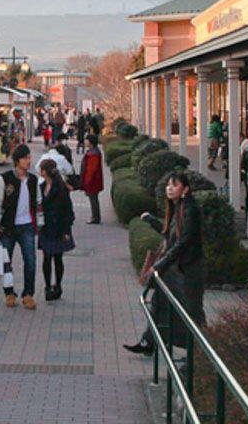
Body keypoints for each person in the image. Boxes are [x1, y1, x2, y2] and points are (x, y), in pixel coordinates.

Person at [124, 169, 205, 356]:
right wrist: (152, 221)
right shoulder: (178, 207)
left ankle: (198, 354)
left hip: (188, 270)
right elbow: (171, 235)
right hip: (176, 269)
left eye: (174, 185)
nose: (169, 188)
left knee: (191, 312)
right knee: (159, 303)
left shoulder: (190, 209)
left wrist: (158, 265)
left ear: (185, 189)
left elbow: (182, 243)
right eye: (168, 185)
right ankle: (148, 341)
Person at [0, 143, 38, 310]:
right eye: (25, 158)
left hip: (27, 227)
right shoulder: (3, 179)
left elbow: (37, 204)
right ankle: (9, 293)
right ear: (17, 161)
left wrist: (40, 223)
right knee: (6, 261)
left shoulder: (33, 180)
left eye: (29, 158)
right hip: (7, 227)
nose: (28, 161)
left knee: (30, 261)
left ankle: (28, 294)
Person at [37, 158, 75, 302]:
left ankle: (58, 286)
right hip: (46, 227)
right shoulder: (40, 187)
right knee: (46, 258)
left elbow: (68, 211)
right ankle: (47, 286)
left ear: (45, 172)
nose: (40, 172)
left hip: (59, 227)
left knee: (58, 258)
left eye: (41, 169)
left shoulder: (60, 188)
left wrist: (66, 231)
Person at [80, 134, 105, 224]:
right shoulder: (93, 152)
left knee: (93, 199)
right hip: (93, 180)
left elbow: (91, 169)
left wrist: (86, 182)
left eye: (86, 140)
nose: (85, 141)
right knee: (93, 199)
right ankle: (95, 216)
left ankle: (95, 217)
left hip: (92, 181)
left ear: (90, 142)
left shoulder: (93, 154)